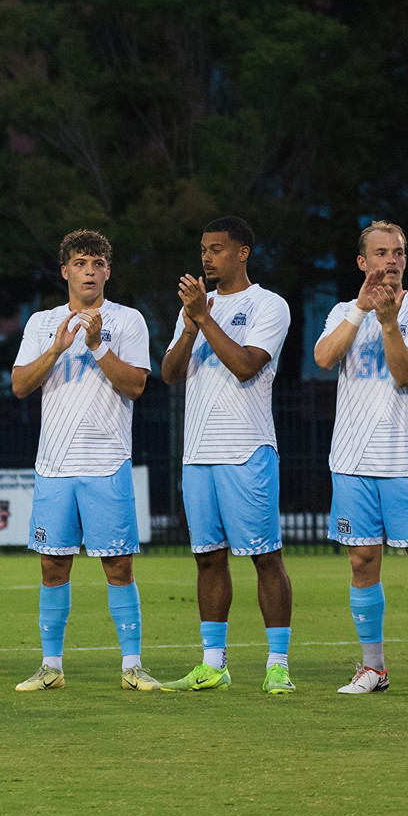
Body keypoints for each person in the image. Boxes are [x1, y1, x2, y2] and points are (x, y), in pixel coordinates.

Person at [312, 221, 408, 696]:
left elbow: (403, 375)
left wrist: (387, 321)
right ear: (363, 262)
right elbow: (323, 357)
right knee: (362, 560)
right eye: (380, 253)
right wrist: (362, 310)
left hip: (404, 458)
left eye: (398, 253)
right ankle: (373, 668)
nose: (390, 261)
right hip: (351, 460)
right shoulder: (343, 310)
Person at [7, 230, 158, 692]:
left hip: (107, 461)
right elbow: (19, 386)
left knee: (118, 566)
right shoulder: (41, 323)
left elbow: (135, 386)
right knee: (53, 566)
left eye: (97, 262)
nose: (89, 270)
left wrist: (95, 345)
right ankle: (51, 666)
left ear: (108, 271)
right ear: (65, 271)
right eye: (80, 262)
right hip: (54, 465)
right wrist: (56, 347)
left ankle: (132, 665)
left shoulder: (127, 320)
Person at [158, 215, 296, 694]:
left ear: (242, 253)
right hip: (197, 453)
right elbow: (170, 373)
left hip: (246, 450)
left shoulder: (268, 305)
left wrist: (205, 318)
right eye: (203, 248)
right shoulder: (198, 308)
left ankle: (277, 663)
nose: (206, 256)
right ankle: (213, 663)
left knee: (265, 558)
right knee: (208, 559)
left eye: (217, 248)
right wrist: (193, 324)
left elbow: (244, 367)